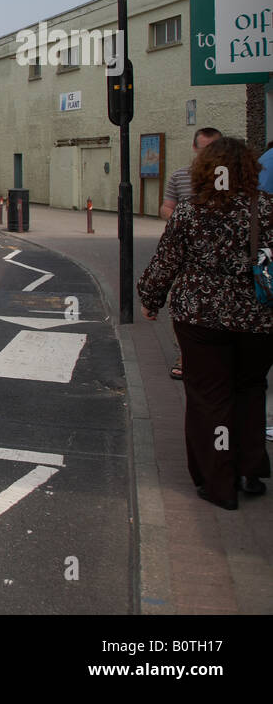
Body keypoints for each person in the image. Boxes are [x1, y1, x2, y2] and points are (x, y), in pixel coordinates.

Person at [137, 137, 273, 510]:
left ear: (204, 170)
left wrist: (151, 300)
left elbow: (166, 263)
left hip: (201, 317)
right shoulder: (267, 209)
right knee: (249, 389)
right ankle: (249, 468)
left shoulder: (191, 212)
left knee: (211, 398)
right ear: (249, 169)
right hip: (257, 318)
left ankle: (219, 481)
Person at [159, 127, 223, 380]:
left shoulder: (233, 178)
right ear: (195, 148)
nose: (210, 153)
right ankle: (185, 356)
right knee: (185, 307)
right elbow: (166, 207)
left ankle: (218, 358)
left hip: (225, 260)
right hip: (190, 257)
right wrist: (182, 222)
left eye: (215, 148)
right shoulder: (181, 176)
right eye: (205, 148)